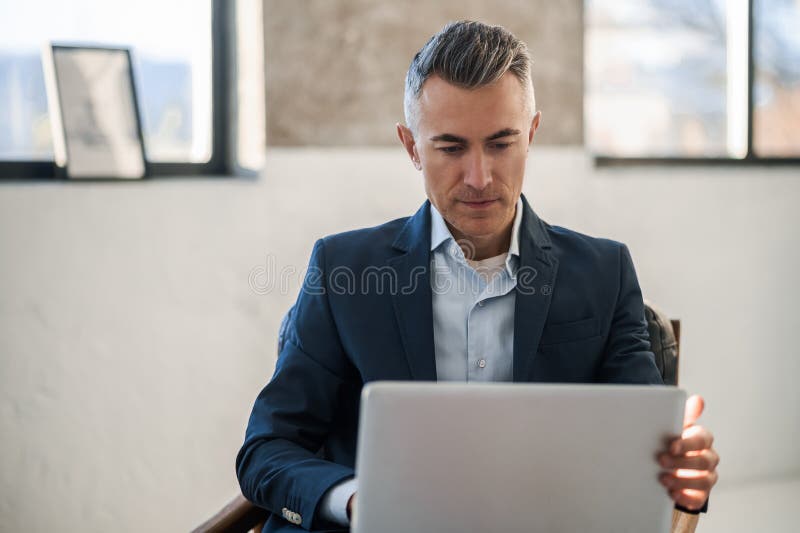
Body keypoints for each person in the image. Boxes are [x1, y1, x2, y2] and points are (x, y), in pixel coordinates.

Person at [236, 20, 719, 532]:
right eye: (450, 148)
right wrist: (361, 501)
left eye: (501, 143)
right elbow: (266, 451)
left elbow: (644, 453)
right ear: (411, 147)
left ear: (530, 134)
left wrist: (683, 474)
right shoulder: (343, 272)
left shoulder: (605, 273)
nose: (479, 177)